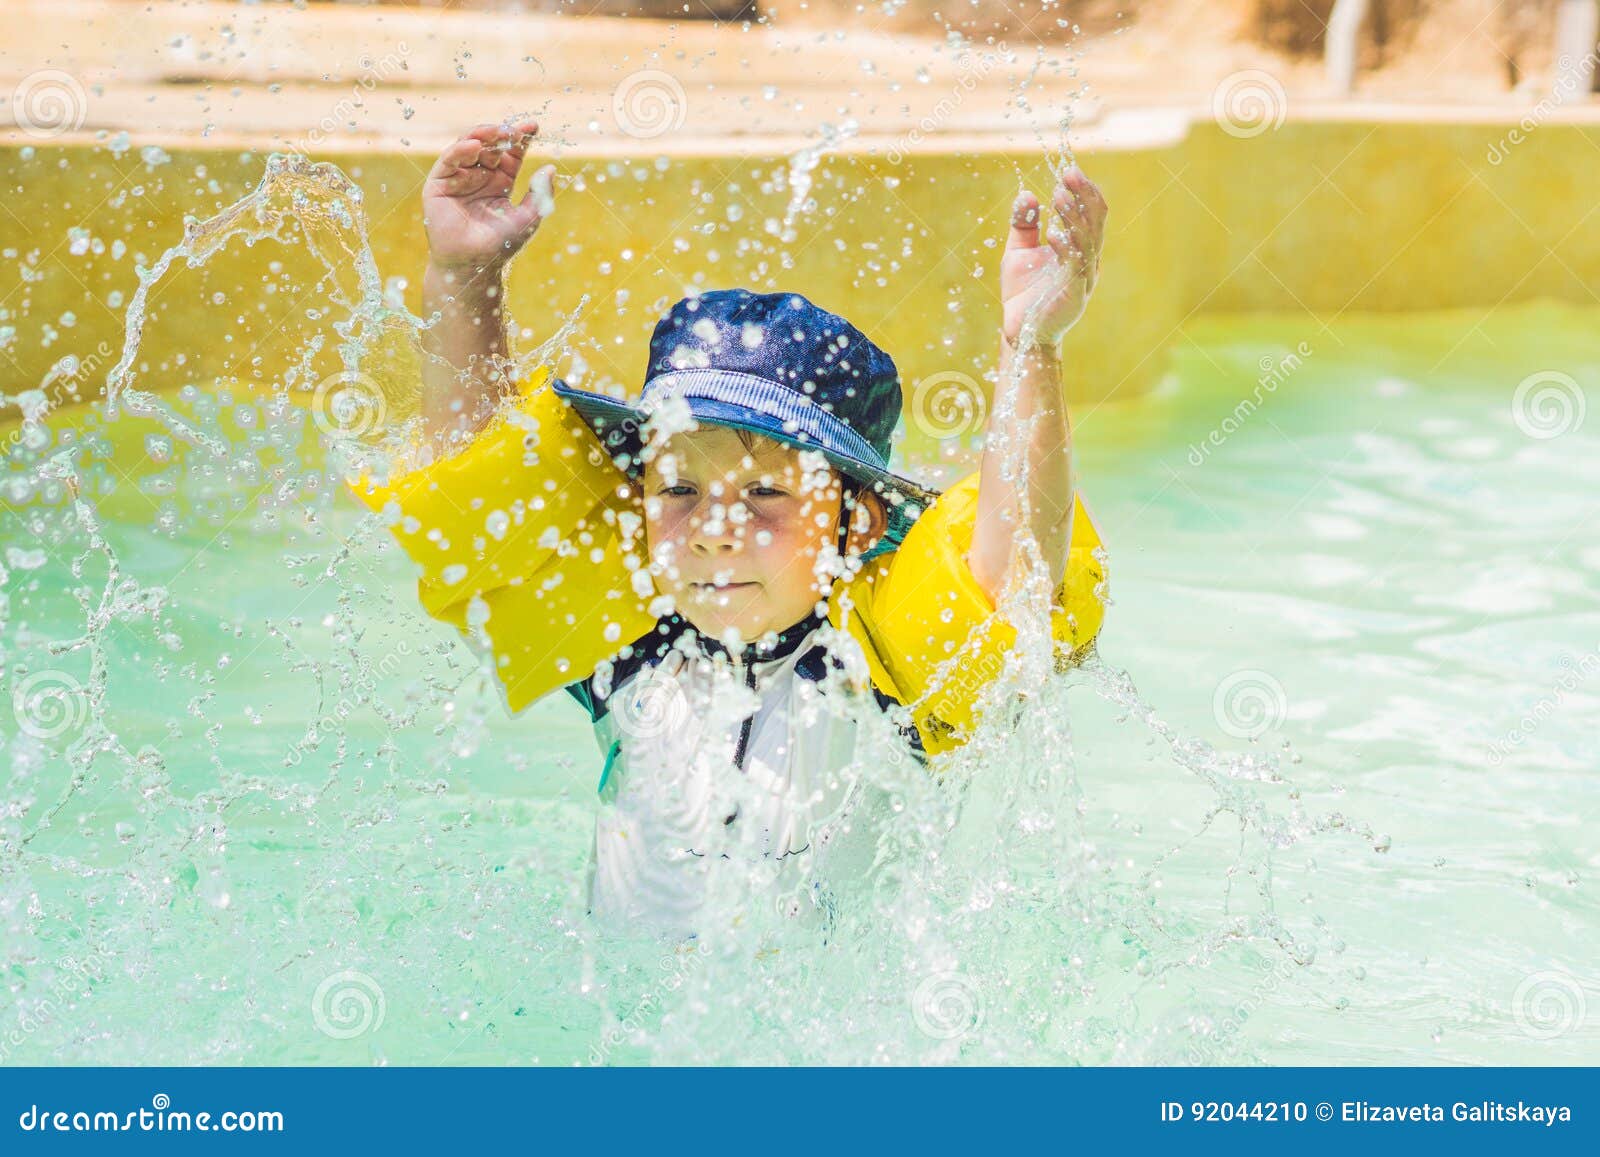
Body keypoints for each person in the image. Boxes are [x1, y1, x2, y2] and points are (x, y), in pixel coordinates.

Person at [350, 119, 1110, 937]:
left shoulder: (887, 677)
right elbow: (483, 506)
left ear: (857, 521)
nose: (712, 529)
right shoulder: (630, 650)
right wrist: (464, 282)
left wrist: (1031, 348)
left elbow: (1014, 573)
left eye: (763, 496)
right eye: (678, 487)